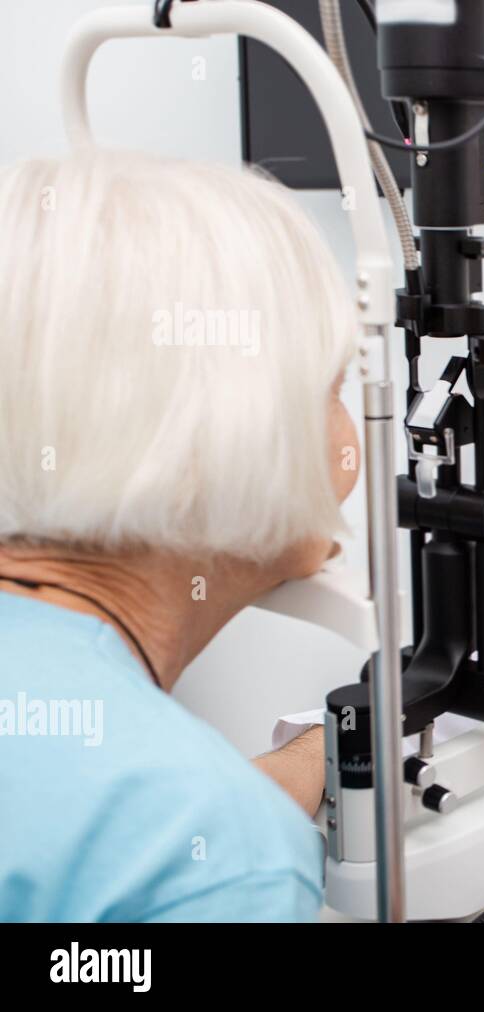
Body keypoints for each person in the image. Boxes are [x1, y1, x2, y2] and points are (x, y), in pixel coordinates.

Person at [0, 149, 360, 921]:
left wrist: (303, 764)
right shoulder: (219, 855)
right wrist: (237, 842)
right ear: (232, 438)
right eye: (334, 390)